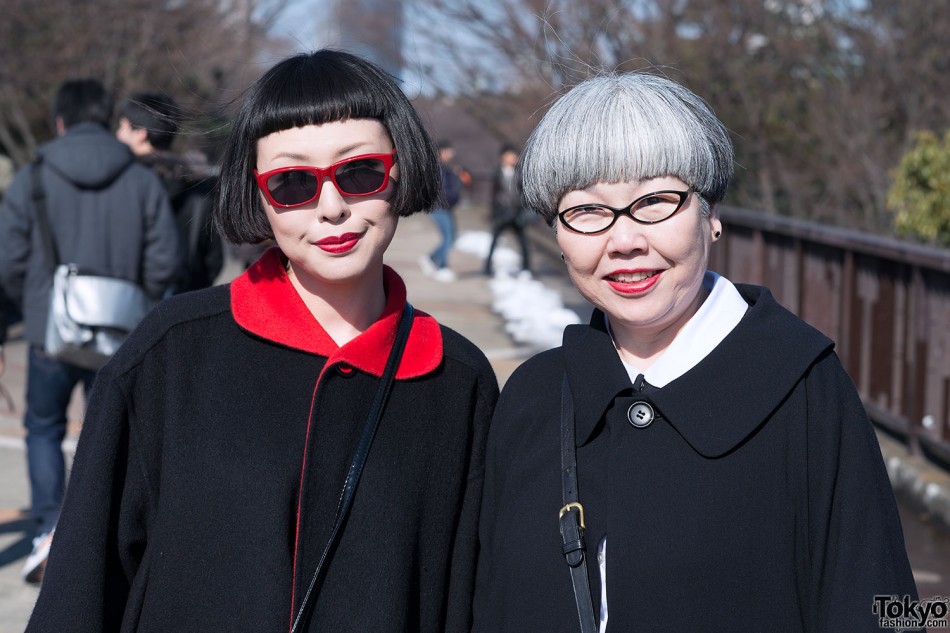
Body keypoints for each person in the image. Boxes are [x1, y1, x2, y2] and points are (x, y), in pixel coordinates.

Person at [26, 50, 498, 632]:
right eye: (292, 182)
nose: (332, 208)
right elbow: (82, 587)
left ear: (400, 170)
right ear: (256, 192)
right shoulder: (171, 355)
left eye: (359, 172)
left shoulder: (457, 378)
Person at [472, 73, 918, 632]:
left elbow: (884, 606)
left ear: (711, 215)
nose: (625, 240)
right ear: (556, 233)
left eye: (656, 201)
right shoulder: (536, 394)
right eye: (587, 211)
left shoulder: (801, 384)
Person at [0, 78, 180, 584]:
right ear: (106, 119)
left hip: (48, 334)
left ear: (58, 121)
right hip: (121, 334)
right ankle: (98, 537)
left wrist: (35, 305)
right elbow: (166, 257)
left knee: (43, 427)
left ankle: (47, 530)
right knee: (111, 433)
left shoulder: (32, 177)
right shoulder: (141, 180)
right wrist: (134, 301)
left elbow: (8, 258)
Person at [117, 91, 225, 293]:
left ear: (141, 134)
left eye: (123, 127)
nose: (118, 134)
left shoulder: (123, 183)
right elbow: (214, 261)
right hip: (183, 302)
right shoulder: (199, 187)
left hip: (126, 303)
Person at [483, 144, 530, 276]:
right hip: (502, 213)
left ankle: (526, 268)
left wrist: (523, 208)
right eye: (510, 155)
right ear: (503, 157)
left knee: (523, 242)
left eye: (514, 155)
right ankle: (487, 268)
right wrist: (493, 212)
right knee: (494, 241)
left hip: (516, 212)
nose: (513, 158)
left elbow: (524, 192)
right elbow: (493, 194)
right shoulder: (497, 173)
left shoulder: (520, 172)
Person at [418, 140, 462, 282]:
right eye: (448, 151)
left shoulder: (445, 168)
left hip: (444, 207)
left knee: (451, 237)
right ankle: (442, 267)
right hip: (439, 207)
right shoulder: (437, 168)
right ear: (441, 152)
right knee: (449, 238)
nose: (451, 154)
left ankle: (430, 259)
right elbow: (444, 191)